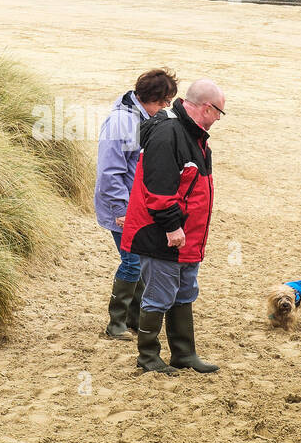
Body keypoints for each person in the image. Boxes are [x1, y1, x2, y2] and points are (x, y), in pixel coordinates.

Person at [121, 79, 224, 374]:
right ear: (207, 107)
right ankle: (148, 357)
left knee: (184, 292)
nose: (218, 118)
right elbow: (159, 190)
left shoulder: (192, 134)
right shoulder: (169, 133)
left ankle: (184, 354)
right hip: (163, 236)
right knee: (159, 295)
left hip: (187, 237)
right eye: (219, 112)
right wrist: (171, 228)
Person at [94, 68, 178, 339]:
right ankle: (115, 324)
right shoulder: (121, 121)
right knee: (131, 261)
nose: (166, 107)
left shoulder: (140, 117)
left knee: (139, 260)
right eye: (164, 101)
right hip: (121, 207)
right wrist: (120, 209)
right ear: (150, 97)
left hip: (134, 207)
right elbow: (110, 170)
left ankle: (132, 319)